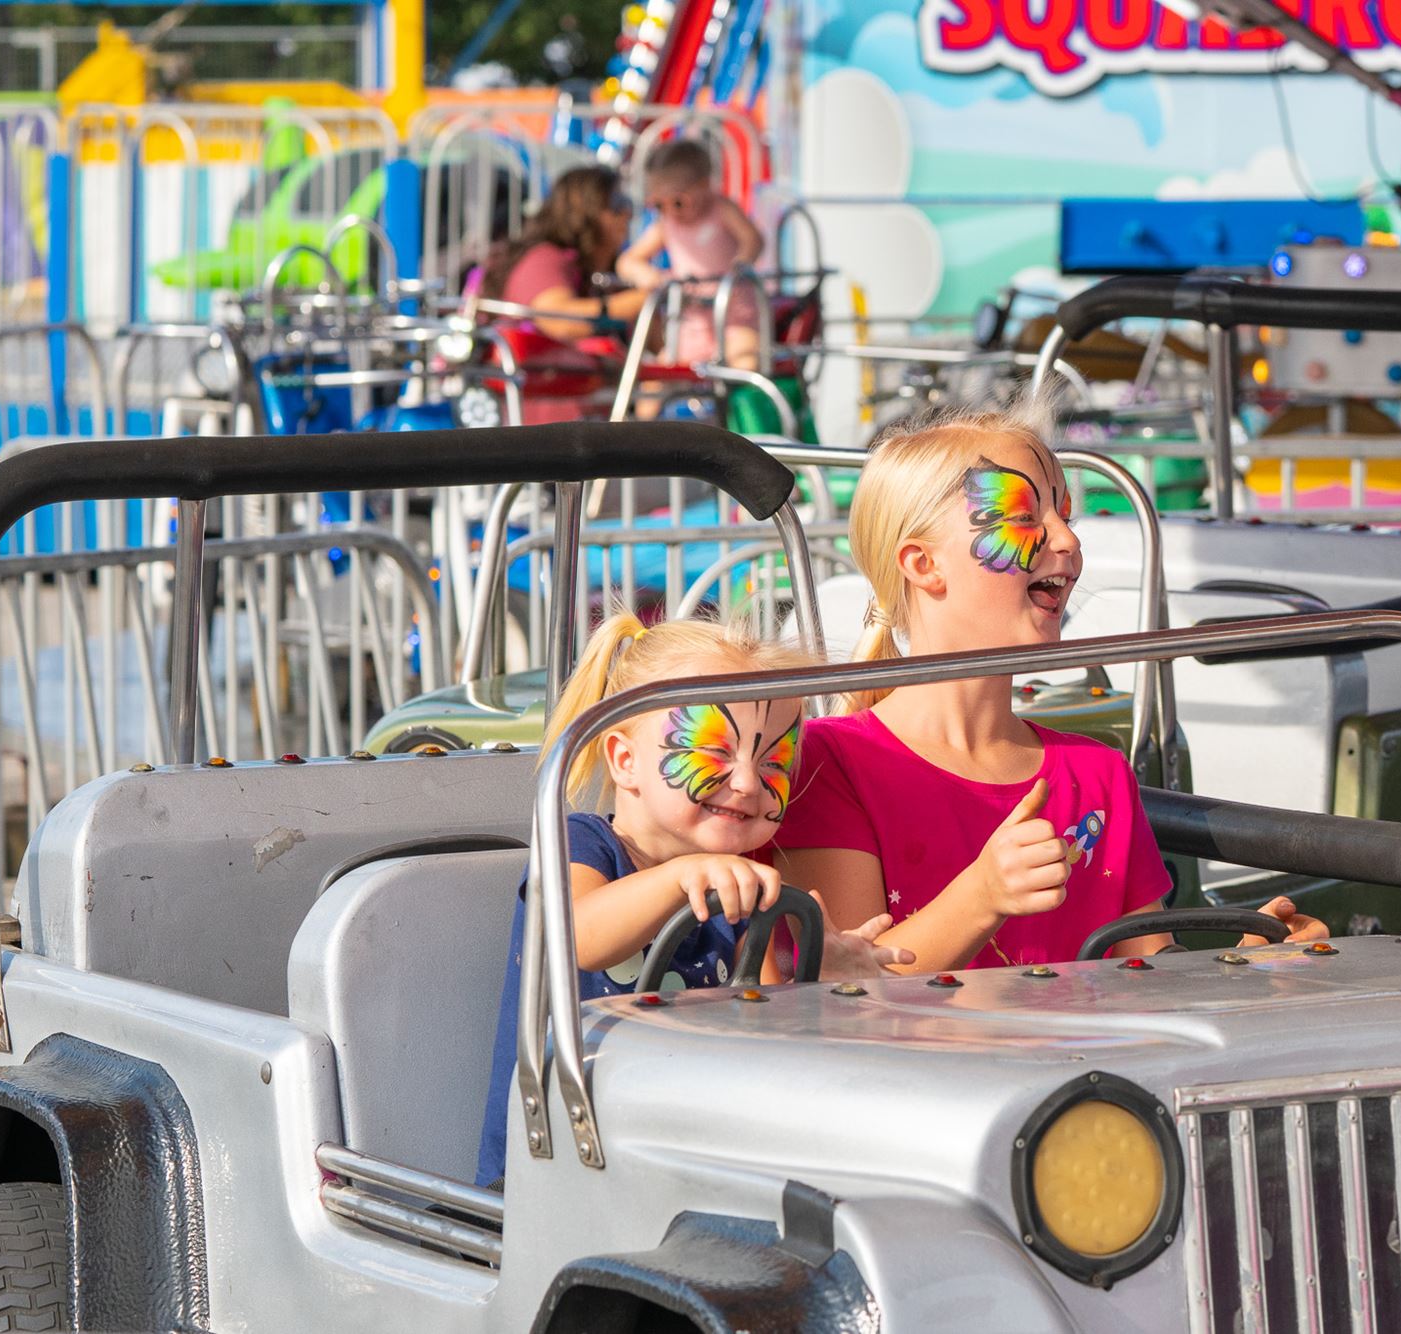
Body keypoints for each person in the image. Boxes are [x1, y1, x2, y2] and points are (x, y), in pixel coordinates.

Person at [773, 404, 1325, 972]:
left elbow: (1154, 978)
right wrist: (980, 897)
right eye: (1024, 515)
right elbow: (843, 991)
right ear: (923, 564)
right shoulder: (829, 763)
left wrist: (1249, 961)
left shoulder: (1098, 772)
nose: (1066, 539)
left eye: (1063, 514)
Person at [476, 615, 911, 1187]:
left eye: (774, 761)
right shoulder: (580, 842)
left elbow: (774, 1041)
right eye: (715, 752)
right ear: (625, 760)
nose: (750, 783)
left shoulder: (741, 891)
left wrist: (826, 984)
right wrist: (681, 877)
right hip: (556, 1171)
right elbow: (578, 936)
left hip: (680, 1159)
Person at [617, 139, 766, 369]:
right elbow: (627, 261)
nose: (669, 211)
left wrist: (740, 265)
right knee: (657, 379)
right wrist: (646, 274)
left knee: (745, 363)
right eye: (658, 204)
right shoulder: (666, 225)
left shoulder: (721, 210)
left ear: (705, 185)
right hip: (691, 324)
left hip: (734, 317)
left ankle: (733, 404)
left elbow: (753, 239)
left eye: (678, 202)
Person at [478, 164, 651, 345]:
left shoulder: (599, 272)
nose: (627, 213)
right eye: (617, 204)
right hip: (529, 371)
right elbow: (560, 321)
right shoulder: (543, 258)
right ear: (584, 210)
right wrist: (639, 301)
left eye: (628, 202)